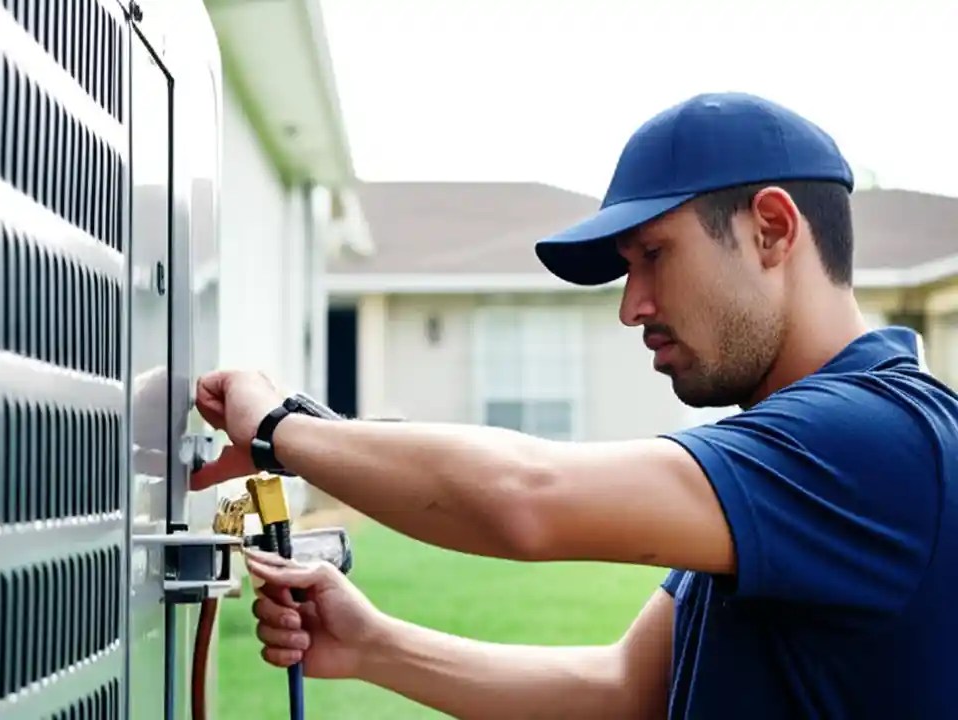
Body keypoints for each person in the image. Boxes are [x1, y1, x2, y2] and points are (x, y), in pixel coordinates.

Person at [190, 92, 958, 719]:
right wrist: (374, 645)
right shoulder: (790, 458)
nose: (633, 307)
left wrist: (279, 430)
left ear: (771, 230)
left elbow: (528, 497)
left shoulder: (875, 440)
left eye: (653, 256)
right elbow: (628, 688)